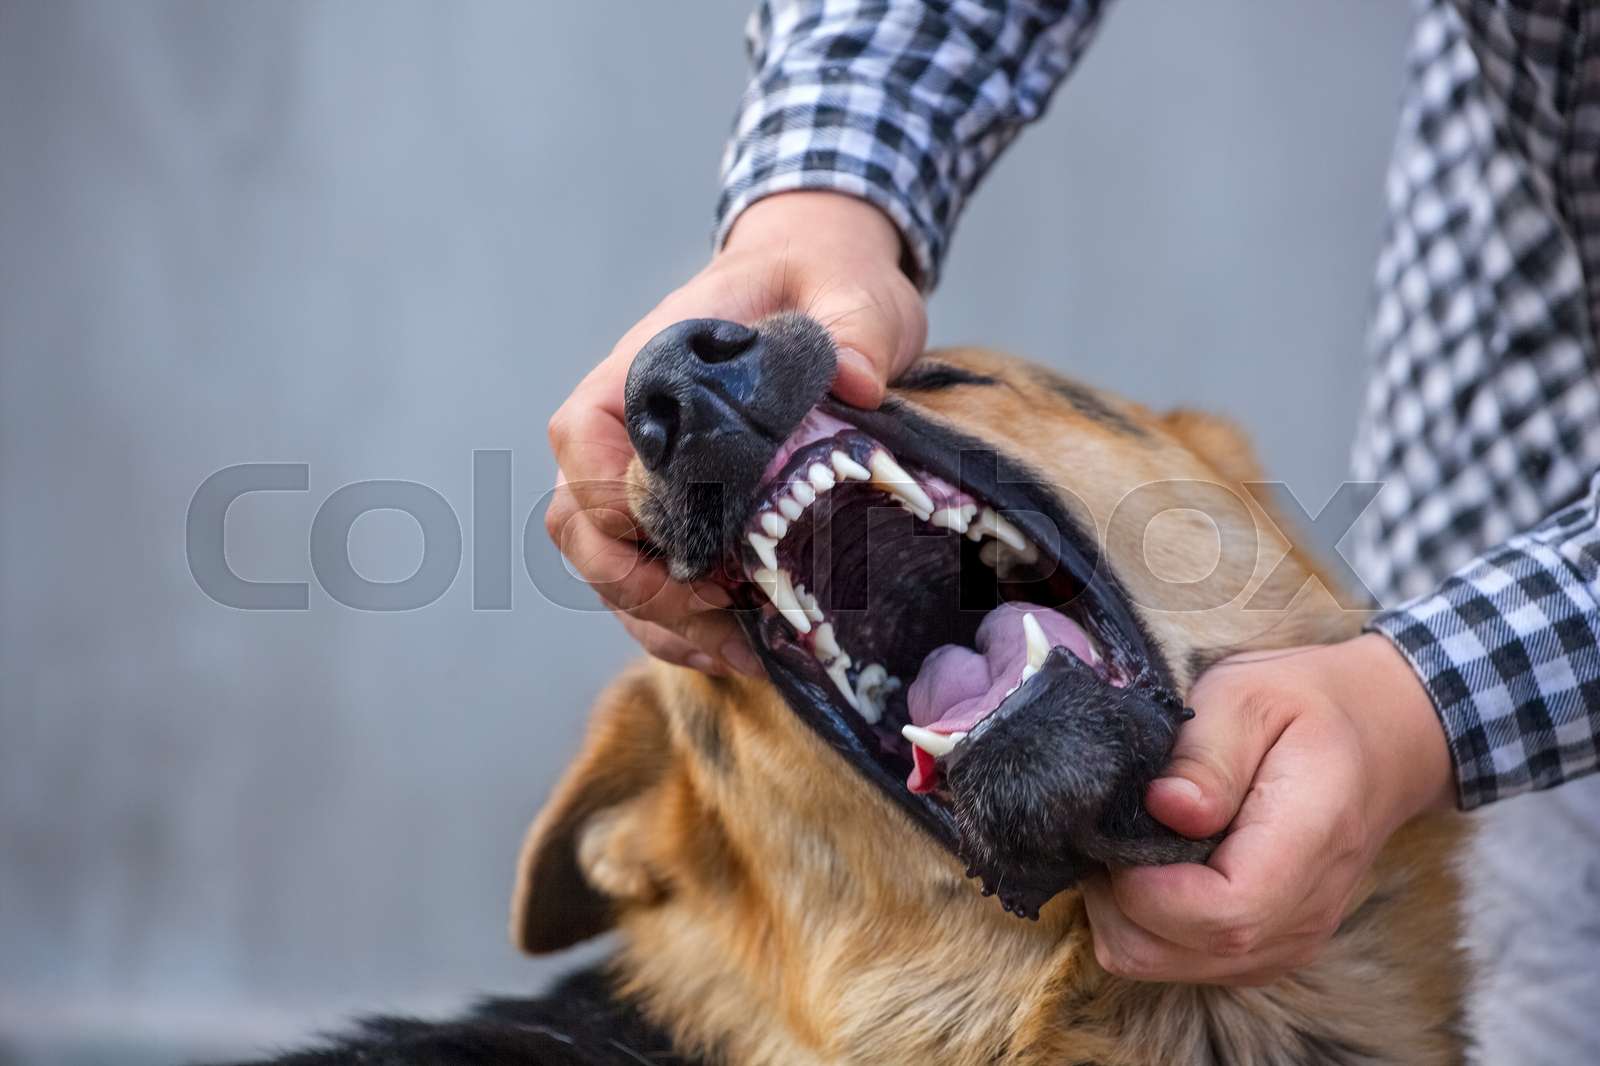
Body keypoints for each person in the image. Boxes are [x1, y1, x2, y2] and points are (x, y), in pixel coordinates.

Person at [546, 0, 1600, 995]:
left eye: (941, 383)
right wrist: (814, 209)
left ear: (1220, 483)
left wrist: (1416, 707)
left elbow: (1423, 696)